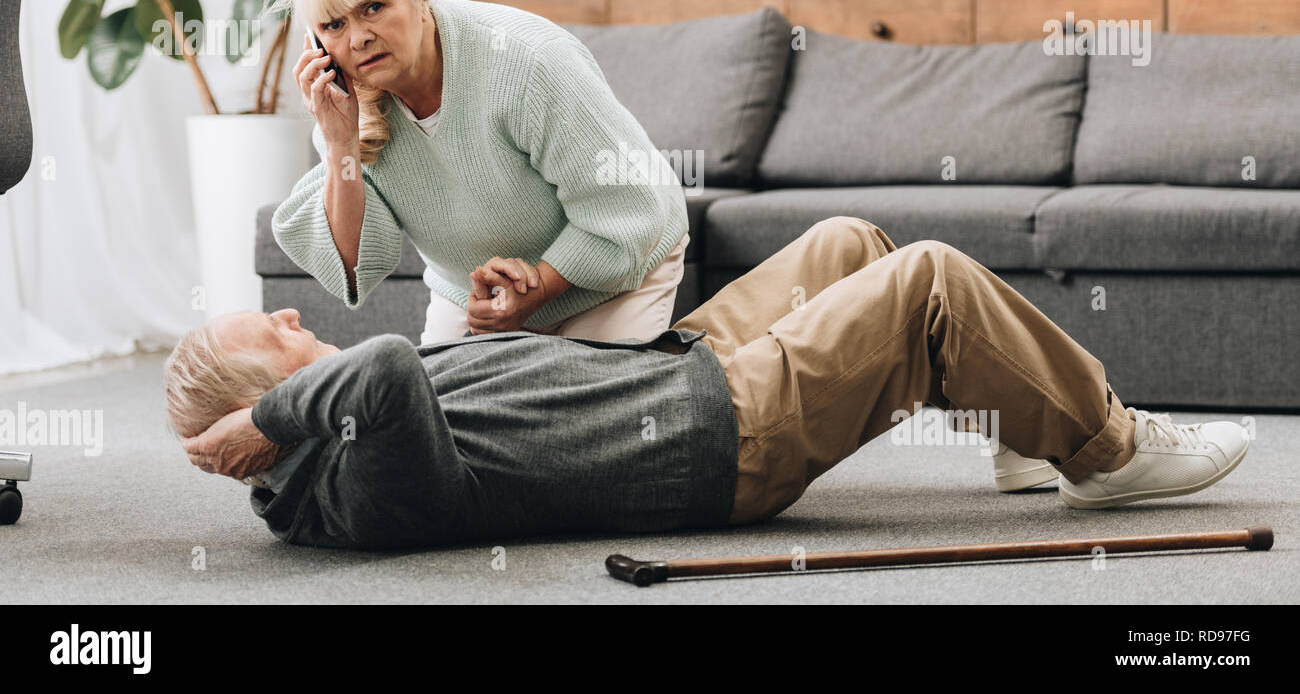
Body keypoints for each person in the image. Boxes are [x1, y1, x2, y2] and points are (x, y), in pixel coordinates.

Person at [170, 218, 1250, 550]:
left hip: (675, 373)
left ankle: (1026, 423)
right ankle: (1104, 451)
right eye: (267, 334)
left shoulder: (344, 435)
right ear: (258, 405)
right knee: (928, 280)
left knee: (846, 241)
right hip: (717, 441)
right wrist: (270, 414)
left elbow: (454, 381)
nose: (290, 315)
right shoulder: (349, 494)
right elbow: (396, 367)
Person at [265, 0, 688, 345]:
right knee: (440, 412)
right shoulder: (345, 108)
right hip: (476, 297)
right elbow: (354, 263)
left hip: (616, 266)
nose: (357, 39)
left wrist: (538, 287)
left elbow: (627, 206)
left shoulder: (529, 60)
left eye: (373, 7)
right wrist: (340, 143)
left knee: (587, 409)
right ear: (317, 44)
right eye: (333, 25)